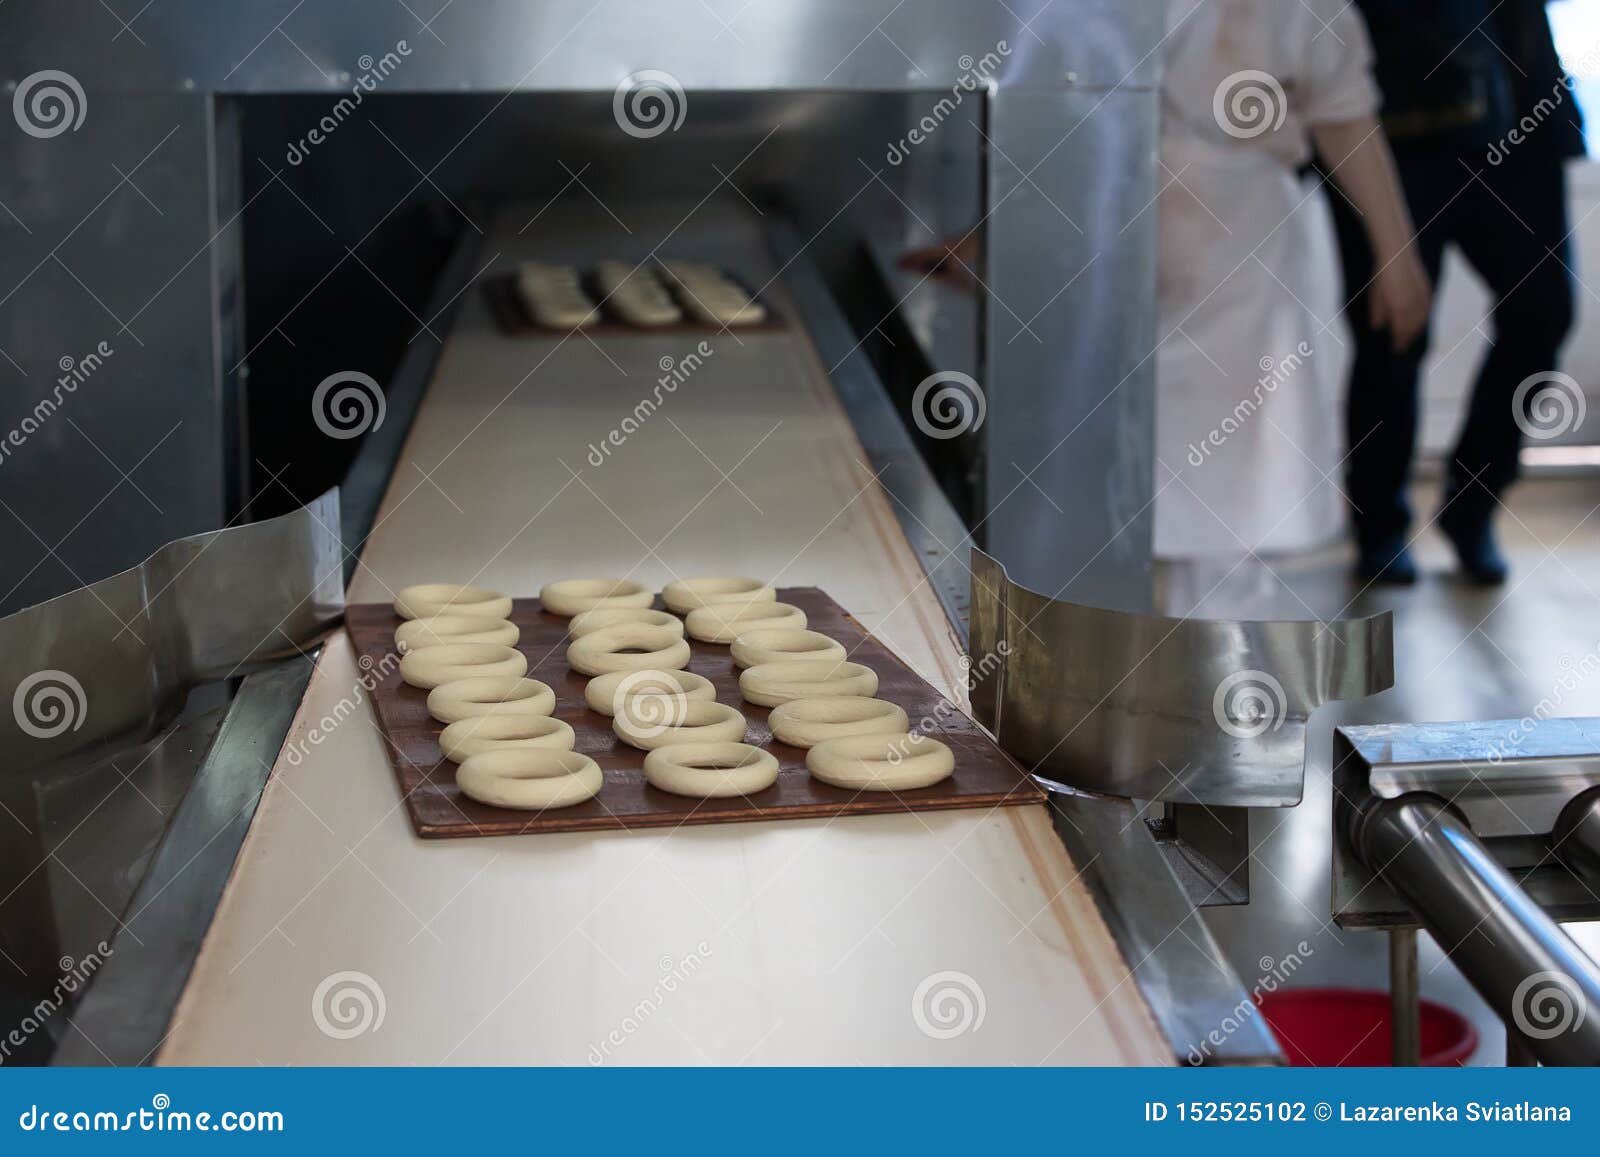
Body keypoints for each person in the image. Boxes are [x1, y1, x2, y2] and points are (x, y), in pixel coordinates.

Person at [904, 1, 1430, 617]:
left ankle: (1223, 665)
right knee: (1090, 456)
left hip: (1243, 250)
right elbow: (1061, 121)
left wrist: (1398, 255)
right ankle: (1086, 651)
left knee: (1229, 466)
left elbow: (1345, 117)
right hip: (1104, 229)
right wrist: (995, 238)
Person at [1149, 0, 1430, 615]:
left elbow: (1346, 117)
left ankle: (1221, 645)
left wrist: (1398, 255)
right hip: (1120, 218)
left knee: (1238, 444)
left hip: (1248, 238)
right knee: (1125, 444)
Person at [1332, 1, 1585, 585]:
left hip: (1514, 102)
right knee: (1392, 328)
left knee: (1543, 312)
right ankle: (1380, 526)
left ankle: (1473, 505)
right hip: (1388, 119)